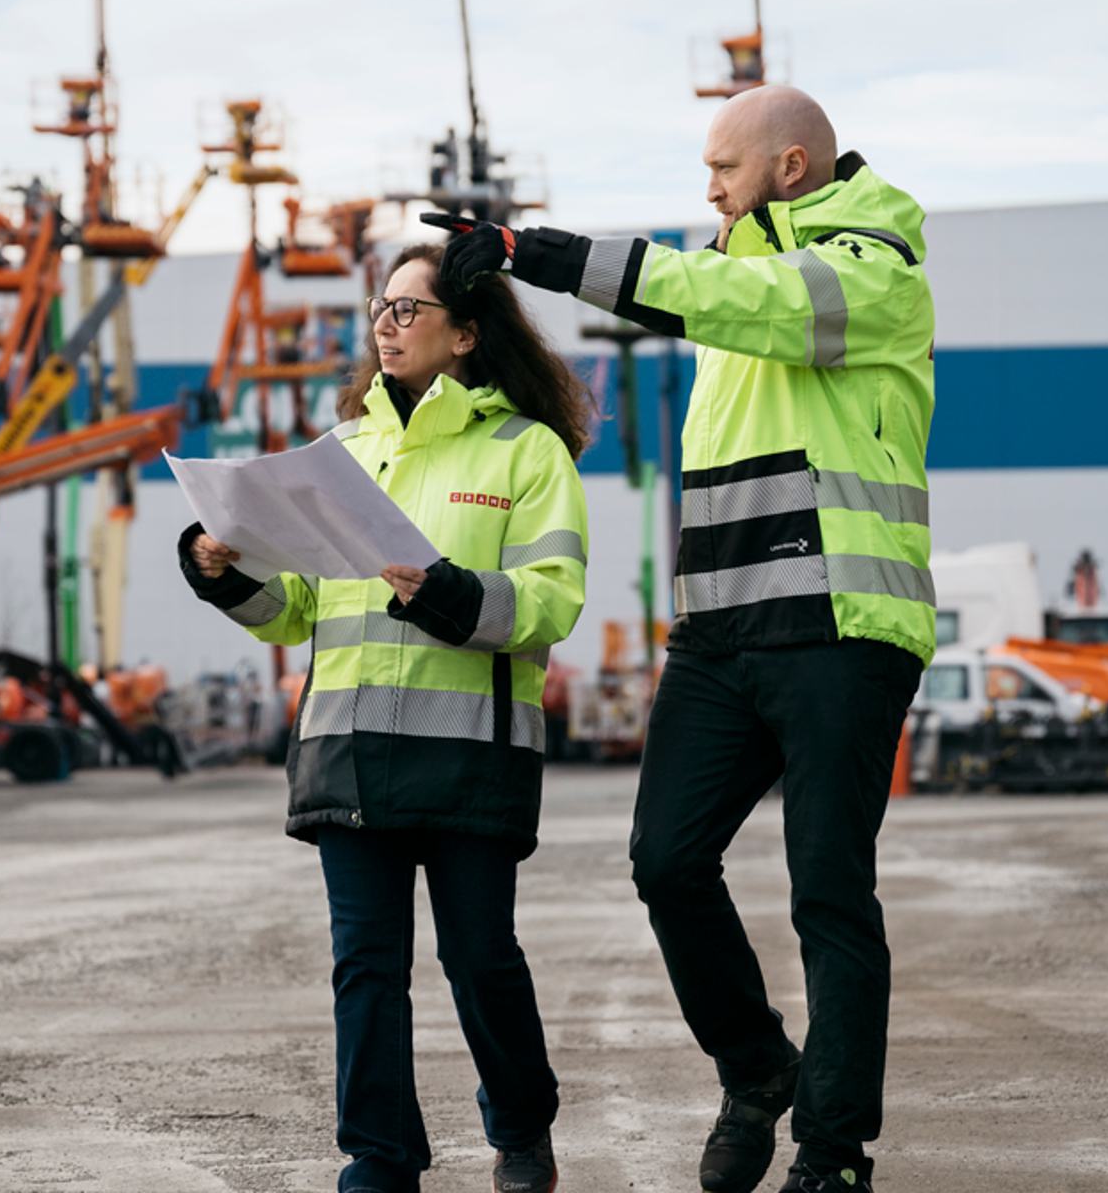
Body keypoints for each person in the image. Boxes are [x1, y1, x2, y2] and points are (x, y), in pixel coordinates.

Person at [430, 85, 934, 1193]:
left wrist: (539, 251)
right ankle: (756, 1067)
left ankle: (833, 1154)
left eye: (724, 169)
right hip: (720, 630)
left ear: (790, 166)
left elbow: (737, 299)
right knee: (664, 859)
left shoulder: (874, 266)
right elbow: (711, 298)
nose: (709, 189)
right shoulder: (736, 280)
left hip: (842, 624)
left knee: (828, 893)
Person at [178, 244, 593, 1193]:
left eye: (410, 309)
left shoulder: (525, 451)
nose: (387, 324)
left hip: (470, 756)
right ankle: (378, 1156)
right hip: (349, 750)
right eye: (381, 307)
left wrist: (449, 594)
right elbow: (295, 611)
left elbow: (552, 599)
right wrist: (226, 574)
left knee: (480, 960)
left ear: (467, 333)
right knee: (364, 966)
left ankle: (522, 1132)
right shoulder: (342, 455)